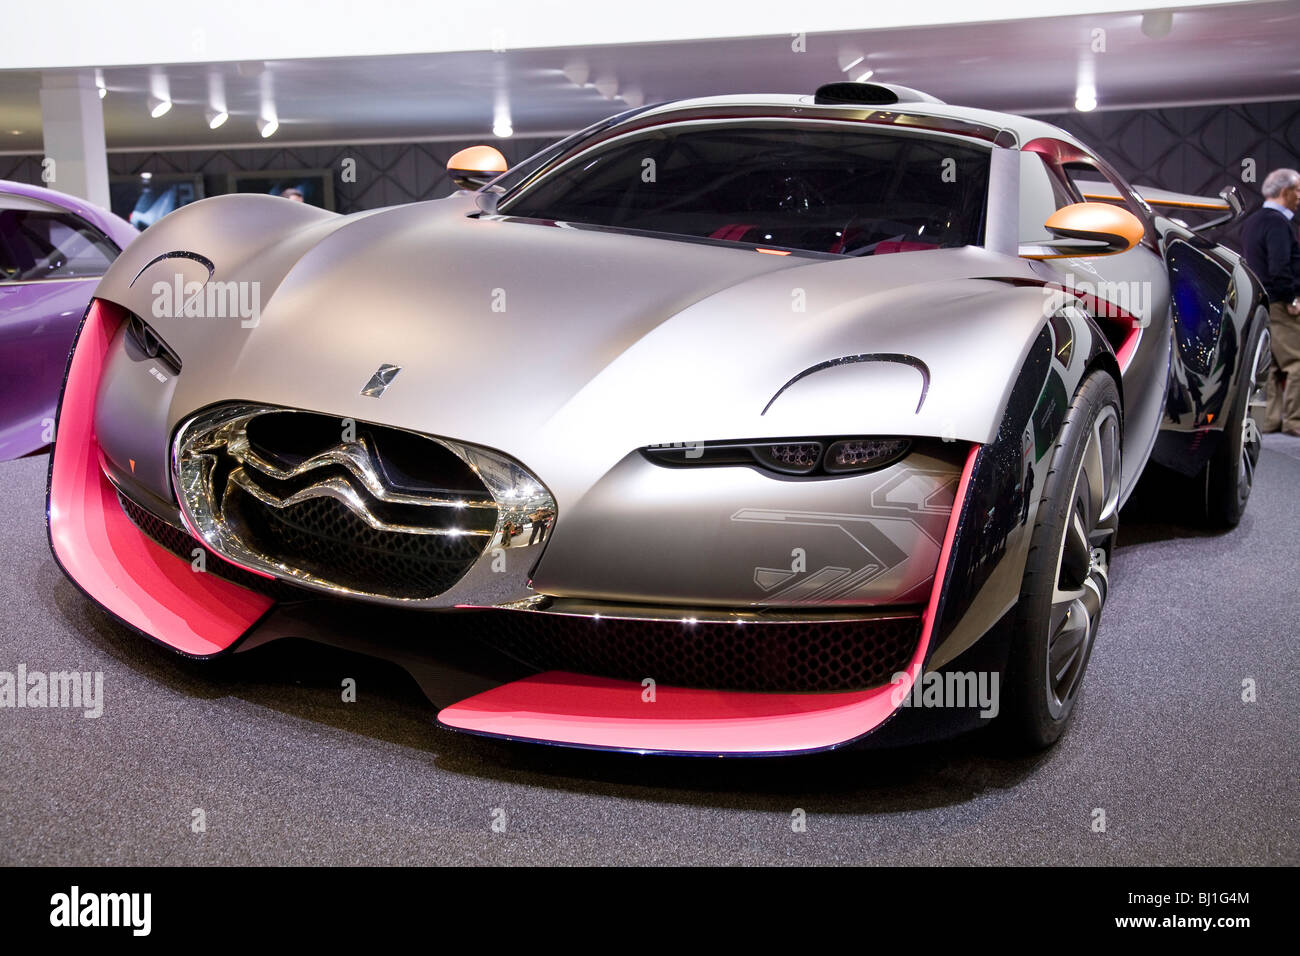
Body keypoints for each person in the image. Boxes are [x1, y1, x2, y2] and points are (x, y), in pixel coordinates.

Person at [1241, 168, 1300, 436]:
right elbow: (1280, 266)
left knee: (1273, 365)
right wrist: (1291, 298)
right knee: (1296, 362)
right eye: (1297, 190)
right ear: (1285, 191)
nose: (1299, 196)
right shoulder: (1278, 222)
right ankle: (1294, 421)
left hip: (1262, 300)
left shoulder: (1253, 221)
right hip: (1280, 302)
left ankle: (1273, 420)